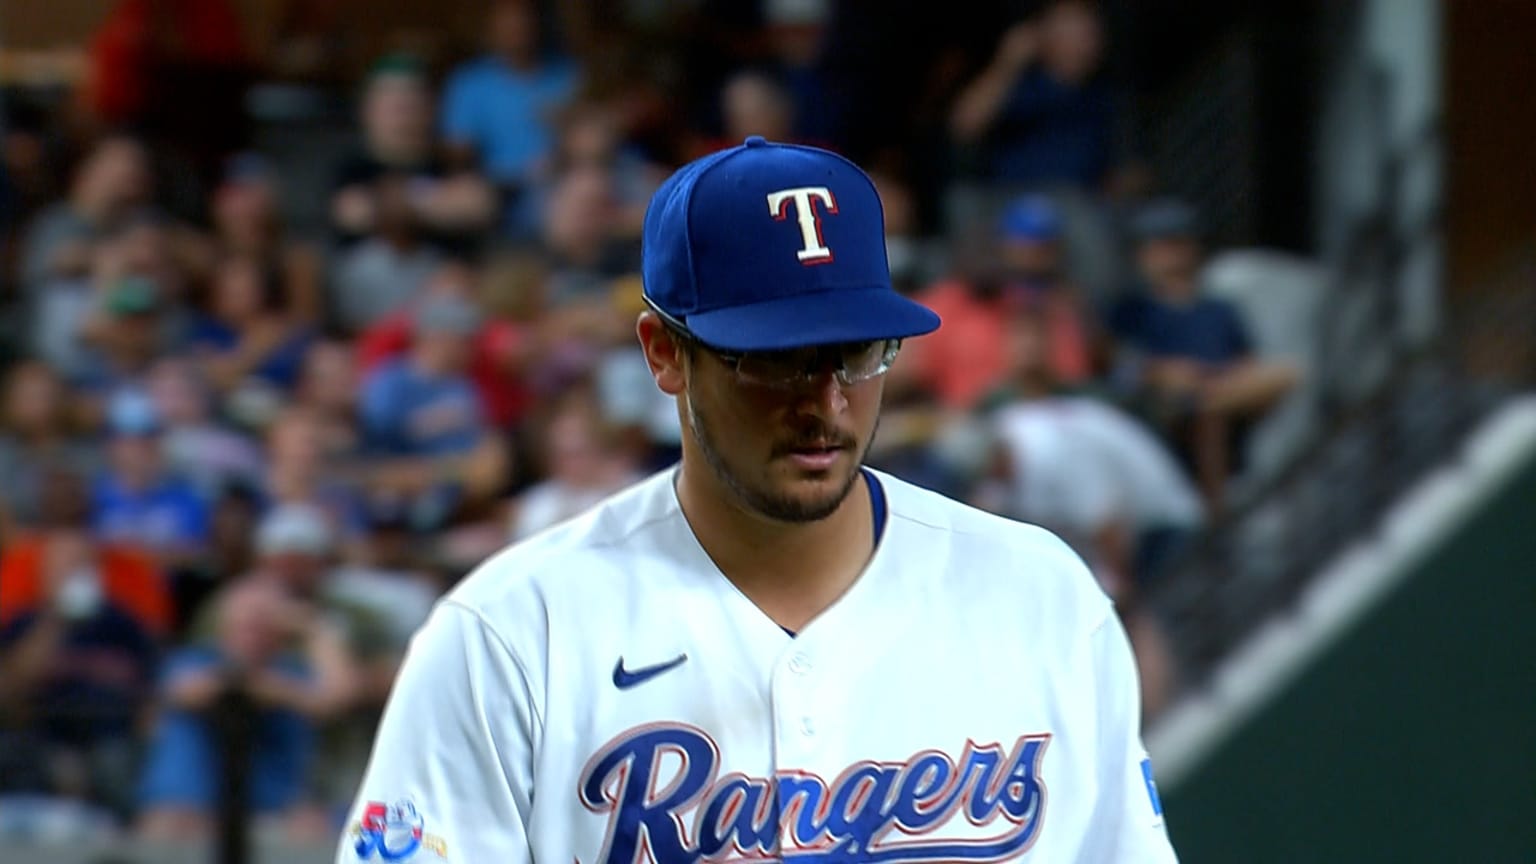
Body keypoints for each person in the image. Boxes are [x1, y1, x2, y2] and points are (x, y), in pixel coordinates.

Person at [337, 137, 1178, 861]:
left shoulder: (1041, 598)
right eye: (776, 359)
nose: (825, 400)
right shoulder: (515, 634)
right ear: (665, 353)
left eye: (857, 352)